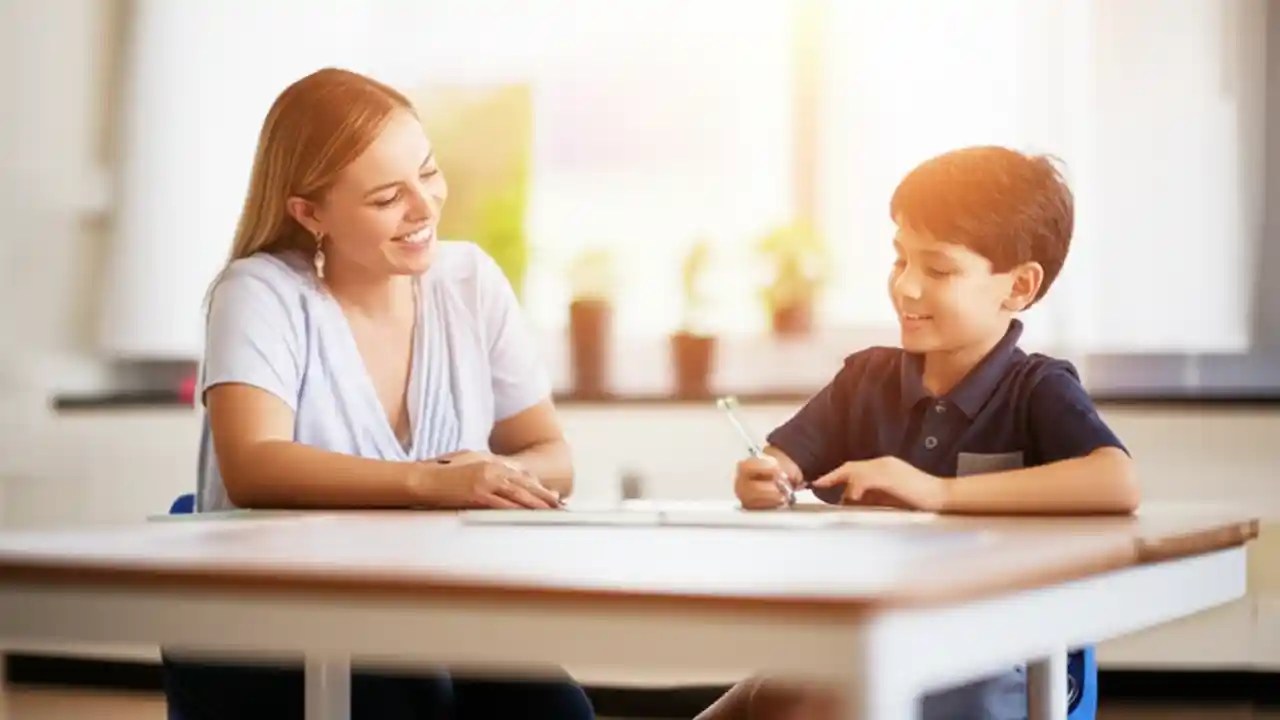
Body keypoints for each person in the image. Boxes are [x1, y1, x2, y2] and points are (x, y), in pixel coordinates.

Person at [163, 67, 595, 720]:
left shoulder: (469, 282)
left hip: (428, 613)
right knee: (408, 701)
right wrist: (431, 484)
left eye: (428, 172)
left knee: (555, 711)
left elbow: (551, 452)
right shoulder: (258, 293)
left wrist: (491, 477)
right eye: (387, 196)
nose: (424, 207)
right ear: (310, 212)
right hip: (265, 617)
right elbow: (252, 466)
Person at [699, 146, 1140, 720]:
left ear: (1019, 287)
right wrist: (767, 476)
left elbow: (1116, 482)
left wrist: (938, 493)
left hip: (999, 659)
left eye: (938, 269)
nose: (905, 287)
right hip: (869, 639)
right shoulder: (866, 379)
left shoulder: (1037, 388)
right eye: (899, 260)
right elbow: (784, 460)